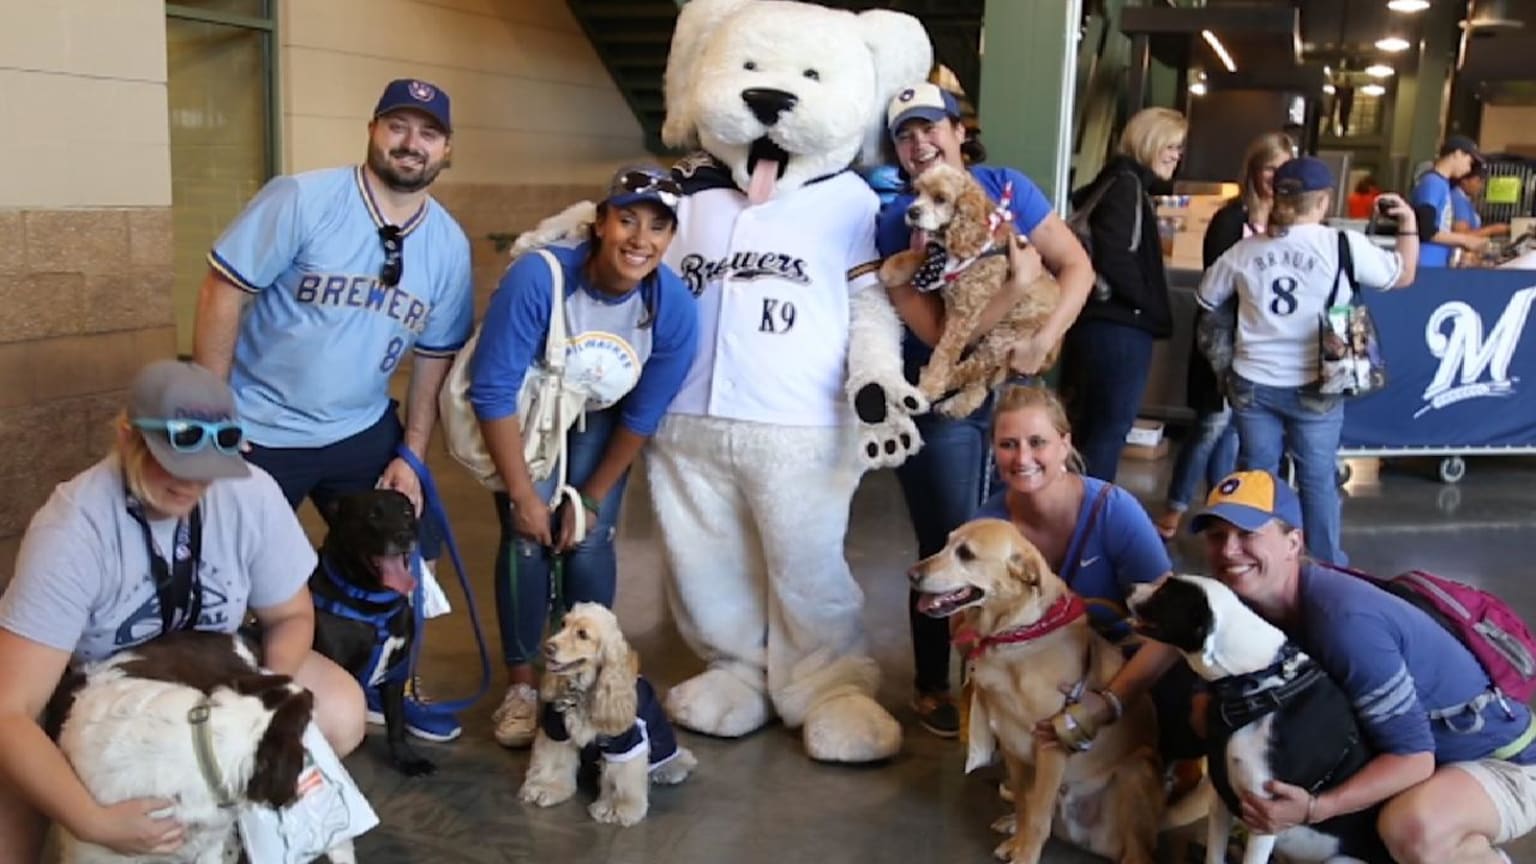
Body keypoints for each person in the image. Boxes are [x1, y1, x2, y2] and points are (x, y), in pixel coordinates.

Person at [192, 78, 473, 741]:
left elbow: (433, 359)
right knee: (221, 575)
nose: (412, 143)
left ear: (446, 149)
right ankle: (208, 704)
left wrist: (410, 452)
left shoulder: (449, 246)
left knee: (413, 552)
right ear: (374, 129)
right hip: (260, 428)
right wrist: (212, 422)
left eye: (428, 133)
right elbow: (221, 289)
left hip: (359, 428)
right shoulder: (303, 197)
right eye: (399, 126)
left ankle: (381, 679)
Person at [0, 360, 364, 862]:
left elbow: (292, 616)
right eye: (175, 464)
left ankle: (233, 827)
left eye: (210, 472)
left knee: (341, 709)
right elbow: (8, 710)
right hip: (95, 687)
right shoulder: (73, 528)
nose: (192, 486)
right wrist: (92, 821)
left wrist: (261, 706)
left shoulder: (251, 493)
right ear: (129, 437)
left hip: (216, 669)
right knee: (13, 778)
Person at [875, 82, 1094, 737]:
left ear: (958, 131)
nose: (919, 143)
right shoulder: (900, 219)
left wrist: (1045, 333)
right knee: (950, 536)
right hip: (940, 399)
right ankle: (933, 683)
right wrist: (1019, 287)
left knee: (1014, 530)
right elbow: (942, 334)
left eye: (929, 128)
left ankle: (1001, 673)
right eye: (904, 135)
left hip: (1014, 390)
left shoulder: (1008, 191)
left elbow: (1078, 266)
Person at [1191, 469, 1536, 864]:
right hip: (1413, 761)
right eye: (1217, 536)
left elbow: (1413, 757)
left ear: (1293, 542)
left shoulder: (1343, 621)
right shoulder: (1251, 608)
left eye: (1247, 534)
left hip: (1499, 763)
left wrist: (1315, 808)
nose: (1228, 551)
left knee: (1412, 828)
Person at [470, 165, 698, 749]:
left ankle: (584, 675)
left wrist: (592, 497)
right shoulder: (538, 279)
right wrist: (522, 495)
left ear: (672, 238)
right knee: (527, 536)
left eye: (657, 227)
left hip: (601, 417)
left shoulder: (672, 306)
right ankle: (522, 686)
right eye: (626, 220)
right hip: (532, 409)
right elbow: (492, 389)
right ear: (601, 224)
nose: (640, 239)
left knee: (589, 537)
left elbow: (642, 415)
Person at [1196, 156, 1418, 565]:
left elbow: (1207, 297)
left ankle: (1253, 559)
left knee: (1258, 475)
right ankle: (1325, 566)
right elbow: (1402, 275)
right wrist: (1407, 223)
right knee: (1317, 480)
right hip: (1317, 383)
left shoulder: (1245, 250)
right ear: (1324, 201)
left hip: (1251, 381)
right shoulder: (1342, 245)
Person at [973, 385, 1200, 771]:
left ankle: (1173, 765)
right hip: (1041, 667)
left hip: (1124, 660)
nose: (1023, 457)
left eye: (1037, 442)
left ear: (1064, 444)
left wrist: (1109, 700)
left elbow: (1174, 627)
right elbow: (963, 627)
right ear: (994, 450)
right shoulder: (987, 526)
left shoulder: (1114, 511)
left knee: (1179, 691)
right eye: (1008, 444)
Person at [1155, 132, 1292, 540]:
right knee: (1212, 425)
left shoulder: (1289, 223)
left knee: (1234, 430)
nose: (1276, 177)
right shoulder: (1231, 219)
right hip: (1224, 343)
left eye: (1284, 168)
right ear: (1254, 170)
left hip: (1263, 345)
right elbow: (1217, 282)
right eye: (1270, 167)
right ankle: (1175, 508)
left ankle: (1222, 507)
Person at [1061, 107, 1187, 482]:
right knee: (1108, 432)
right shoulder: (1128, 186)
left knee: (1088, 430)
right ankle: (1091, 523)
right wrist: (1149, 306)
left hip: (1094, 325)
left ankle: (1074, 518)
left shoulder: (1112, 182)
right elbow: (1116, 255)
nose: (1176, 156)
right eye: (1172, 145)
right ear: (1151, 141)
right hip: (1119, 329)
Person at [1410, 135, 1491, 268]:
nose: (1468, 168)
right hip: (1425, 262)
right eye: (1469, 161)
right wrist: (1465, 240)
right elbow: (1426, 230)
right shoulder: (1433, 182)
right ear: (1457, 153)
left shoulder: (1442, 184)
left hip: (1435, 262)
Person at [1453, 171, 1511, 245]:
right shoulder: (1458, 199)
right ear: (1464, 181)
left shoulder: (1464, 199)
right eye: (1478, 181)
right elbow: (1462, 236)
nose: (1481, 186)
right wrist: (1493, 229)